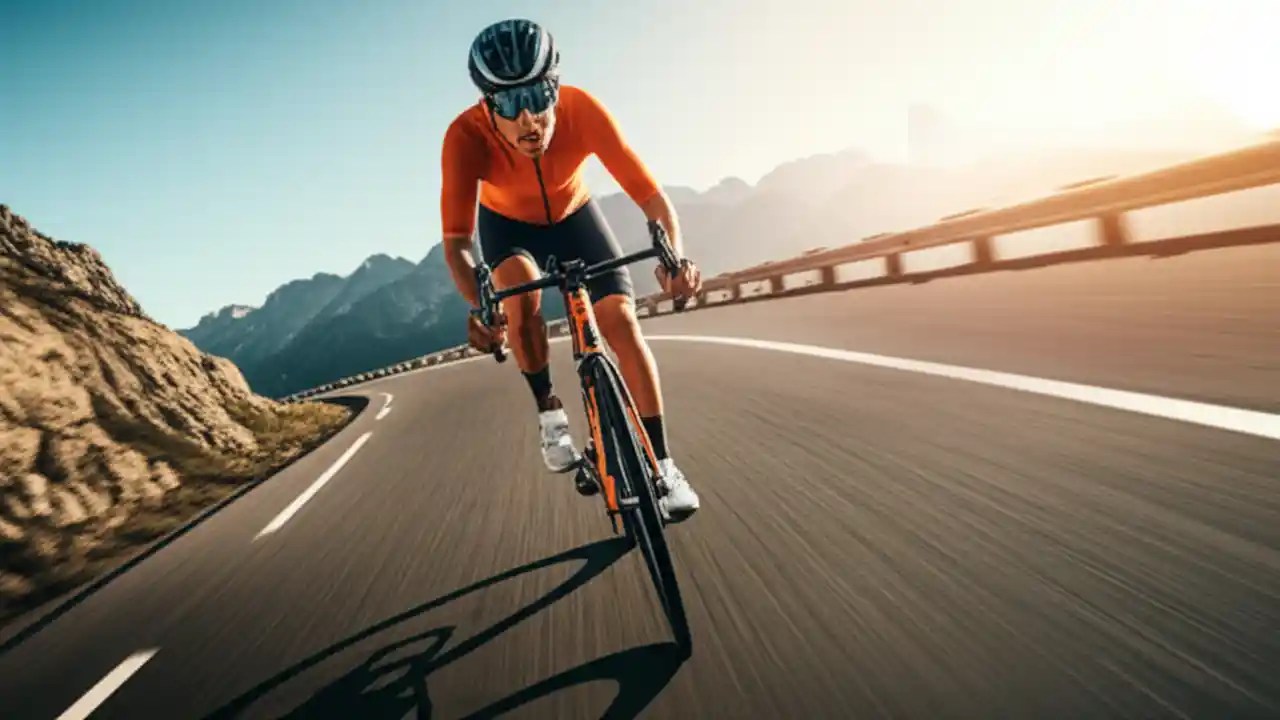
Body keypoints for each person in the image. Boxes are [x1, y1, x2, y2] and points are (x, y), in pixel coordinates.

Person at [438, 18, 703, 522]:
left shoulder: (583, 110)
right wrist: (481, 306)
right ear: (485, 106)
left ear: (556, 87)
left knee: (621, 323)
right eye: (509, 104)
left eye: (538, 95)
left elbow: (650, 195)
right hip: (508, 228)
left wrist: (675, 259)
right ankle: (550, 412)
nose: (528, 120)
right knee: (518, 294)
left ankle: (664, 466)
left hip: (576, 215)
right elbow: (456, 244)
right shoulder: (464, 137)